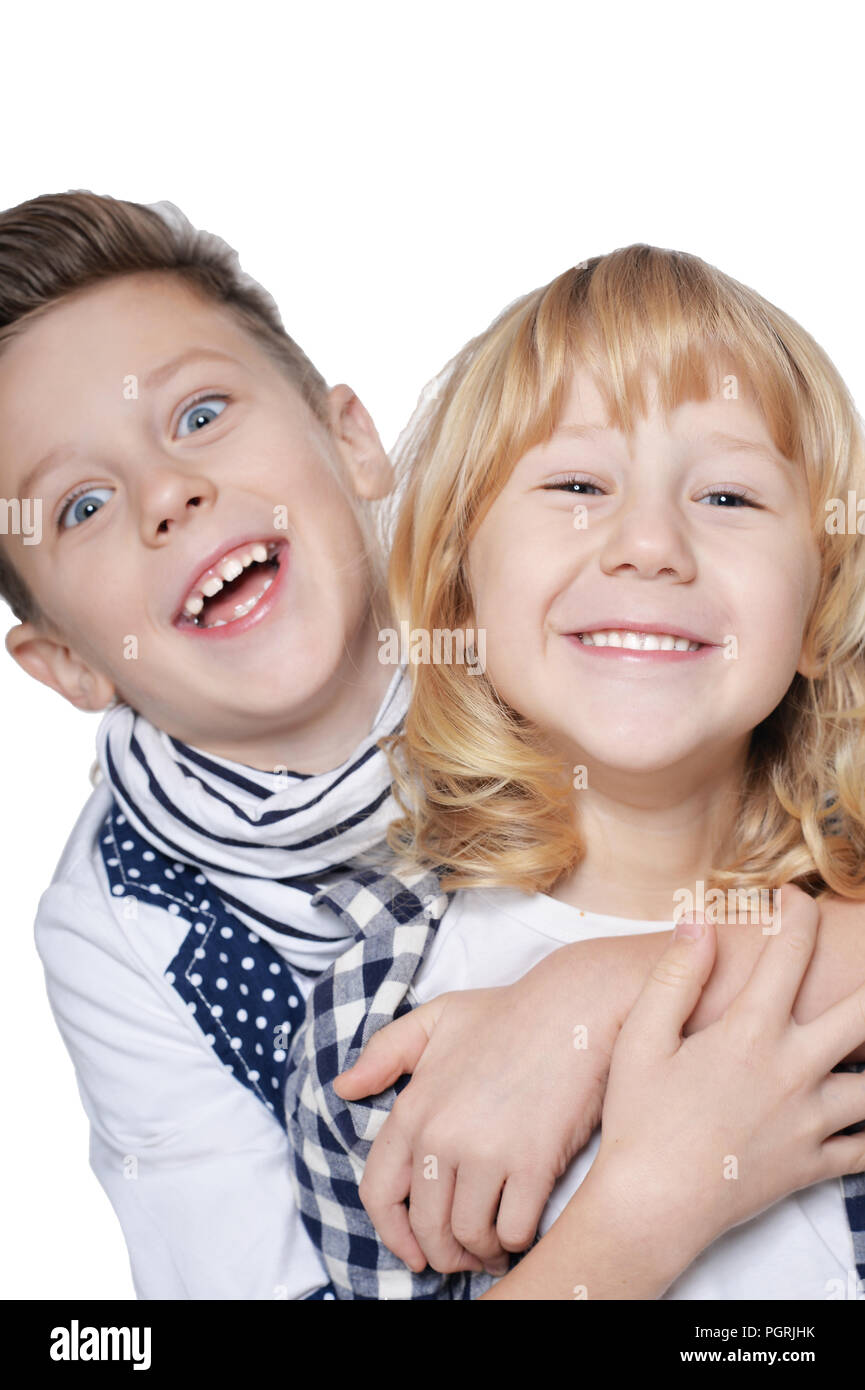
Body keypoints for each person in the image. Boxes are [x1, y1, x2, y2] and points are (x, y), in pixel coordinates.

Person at [287, 245, 865, 1299]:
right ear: (460, 597)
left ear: (820, 612)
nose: (649, 543)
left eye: (729, 496)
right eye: (576, 484)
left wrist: (603, 991)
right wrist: (652, 1205)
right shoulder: (377, 1016)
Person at [0, 190, 399, 1299]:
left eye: (199, 414)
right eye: (79, 505)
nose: (168, 495)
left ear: (350, 438)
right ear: (69, 663)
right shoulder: (119, 929)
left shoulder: (560, 613)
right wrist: (647, 1205)